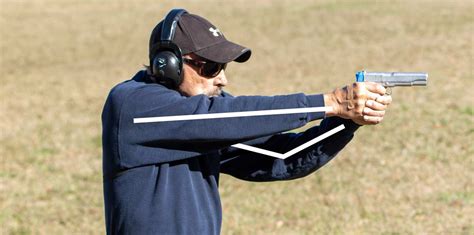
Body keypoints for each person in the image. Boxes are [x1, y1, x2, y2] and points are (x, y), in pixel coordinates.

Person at [101, 9, 392, 235]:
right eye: (212, 67)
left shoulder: (204, 120)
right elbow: (222, 118)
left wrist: (347, 120)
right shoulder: (132, 106)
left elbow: (284, 157)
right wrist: (331, 102)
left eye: (223, 67)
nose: (222, 79)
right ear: (170, 64)